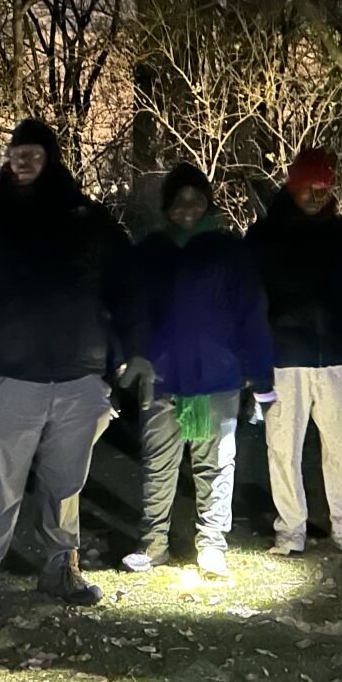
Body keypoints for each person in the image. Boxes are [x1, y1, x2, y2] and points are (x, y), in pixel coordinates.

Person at [0, 118, 144, 626]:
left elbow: (129, 286)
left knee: (65, 484)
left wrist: (137, 349)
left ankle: (59, 568)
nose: (22, 160)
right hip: (9, 378)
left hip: (82, 379)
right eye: (16, 152)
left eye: (33, 152)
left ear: (51, 157)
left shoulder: (87, 217)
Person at [125, 163, 274, 578]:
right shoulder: (150, 252)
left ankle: (211, 544)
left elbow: (251, 312)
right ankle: (153, 543)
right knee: (159, 463)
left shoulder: (229, 250)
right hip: (162, 377)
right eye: (179, 200)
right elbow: (132, 311)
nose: (187, 208)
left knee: (214, 463)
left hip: (215, 376)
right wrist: (132, 355)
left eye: (195, 199)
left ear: (207, 202)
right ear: (167, 206)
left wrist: (258, 371)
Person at [246, 147, 342, 558]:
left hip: (336, 359)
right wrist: (254, 356)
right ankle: (290, 529)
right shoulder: (264, 236)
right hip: (283, 360)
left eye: (323, 187)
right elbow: (251, 302)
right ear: (293, 185)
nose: (316, 194)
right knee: (282, 448)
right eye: (309, 186)